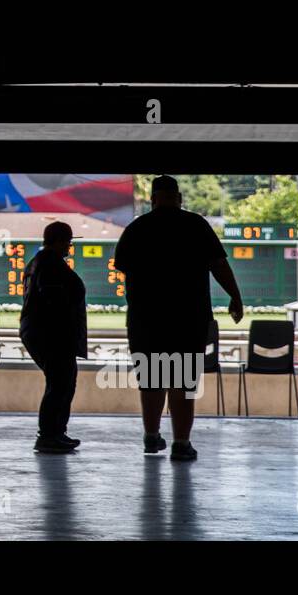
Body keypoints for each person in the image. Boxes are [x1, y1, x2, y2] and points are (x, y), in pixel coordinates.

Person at [113, 175, 244, 461]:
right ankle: (181, 443)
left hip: (146, 319)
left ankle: (151, 436)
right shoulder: (195, 225)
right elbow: (218, 265)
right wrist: (236, 296)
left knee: (151, 380)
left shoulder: (137, 229)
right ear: (179, 198)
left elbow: (122, 266)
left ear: (153, 199)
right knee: (182, 382)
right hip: (188, 318)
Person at [19, 221, 88, 454]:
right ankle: (48, 435)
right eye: (68, 241)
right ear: (58, 241)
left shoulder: (39, 262)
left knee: (62, 382)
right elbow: (54, 301)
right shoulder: (50, 264)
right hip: (52, 334)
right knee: (60, 383)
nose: (69, 246)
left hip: (43, 333)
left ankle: (56, 432)